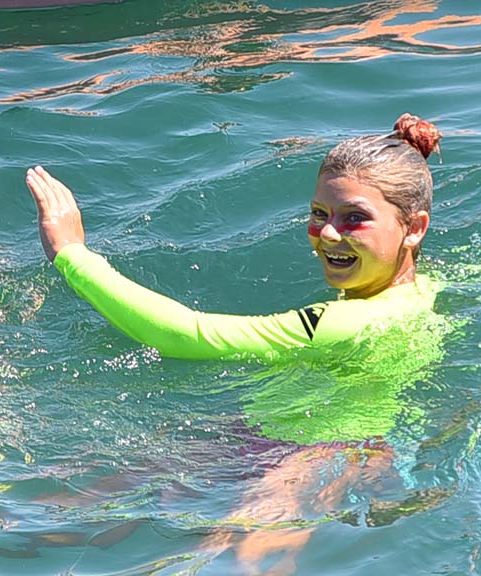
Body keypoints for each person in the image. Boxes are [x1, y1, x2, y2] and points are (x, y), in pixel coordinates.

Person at [26, 114, 449, 572]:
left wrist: (72, 255)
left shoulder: (349, 321)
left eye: (355, 218)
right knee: (68, 509)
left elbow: (185, 335)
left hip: (329, 456)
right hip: (260, 432)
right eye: (319, 214)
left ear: (414, 227)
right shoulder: (419, 291)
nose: (328, 233)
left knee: (237, 557)